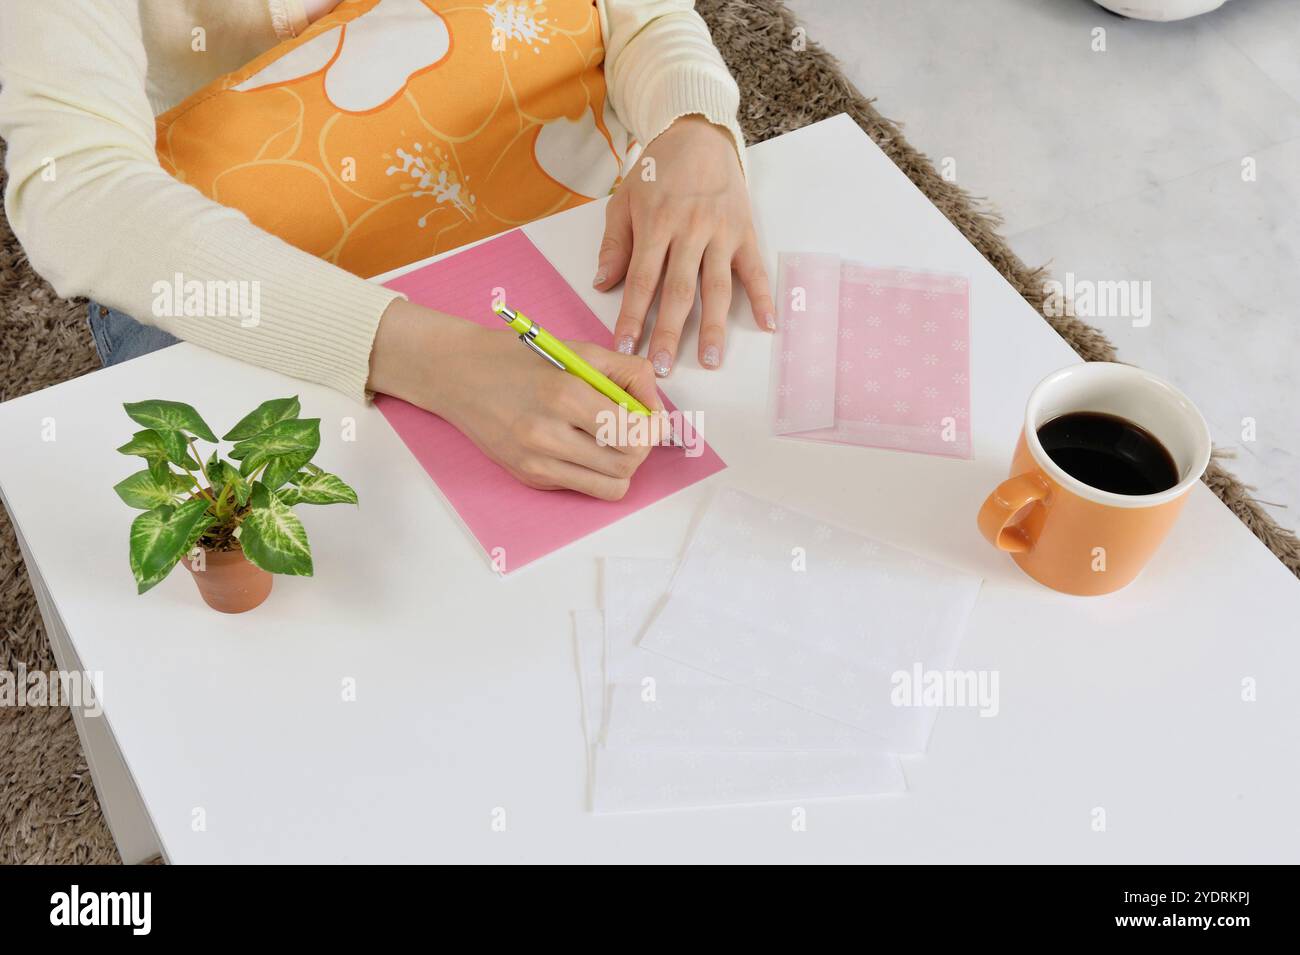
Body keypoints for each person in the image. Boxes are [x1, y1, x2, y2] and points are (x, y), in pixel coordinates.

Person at [0, 0, 773, 502]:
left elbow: (639, 13)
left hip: (508, 169)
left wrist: (690, 126)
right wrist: (434, 358)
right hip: (235, 253)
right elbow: (78, 188)